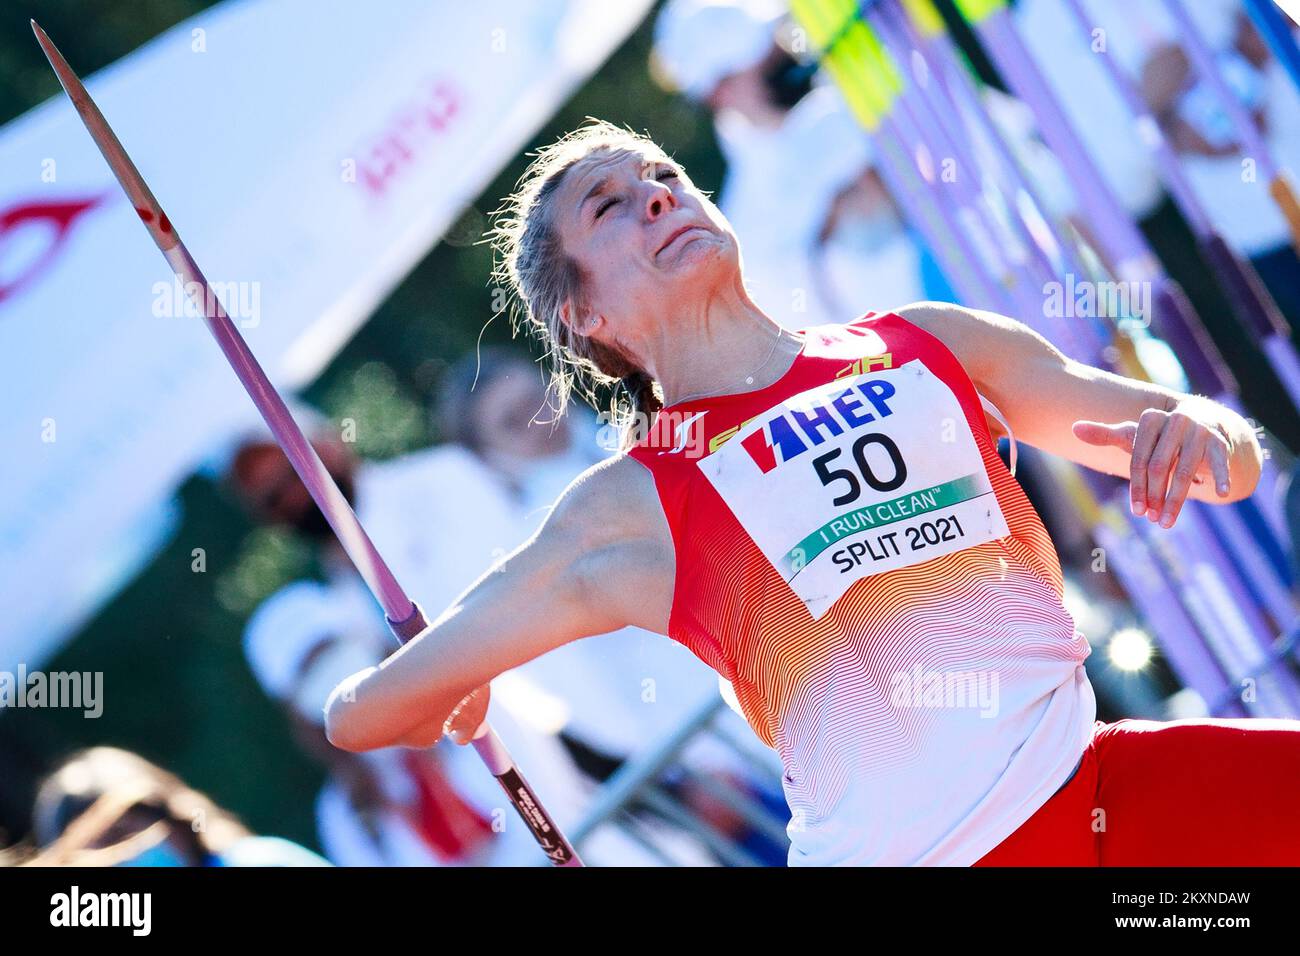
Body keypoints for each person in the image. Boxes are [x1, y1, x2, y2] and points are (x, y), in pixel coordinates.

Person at [322, 120, 1297, 866]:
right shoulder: (632, 503)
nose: (656, 197)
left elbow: (1227, 456)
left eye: (663, 177)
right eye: (610, 207)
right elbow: (361, 715)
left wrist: (1198, 428)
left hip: (1097, 789)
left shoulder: (925, 342)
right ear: (586, 314)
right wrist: (449, 680)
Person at [18, 746, 329, 866]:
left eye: (119, 835)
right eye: (94, 860)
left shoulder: (259, 862)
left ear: (169, 816)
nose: (120, 861)